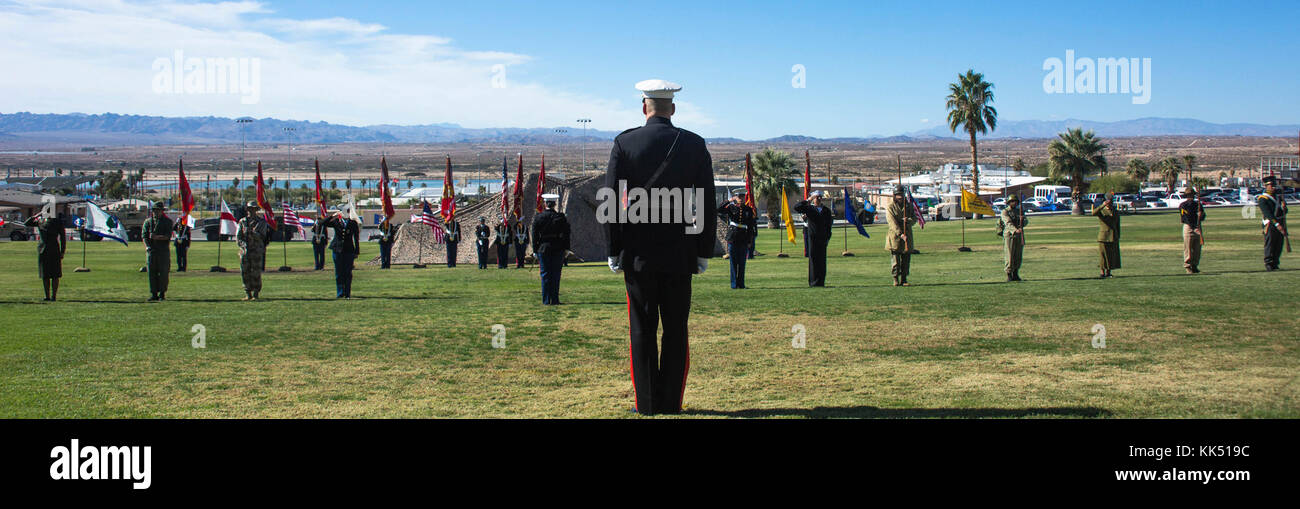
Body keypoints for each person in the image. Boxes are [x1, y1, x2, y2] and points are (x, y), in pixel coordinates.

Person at [606, 79, 716, 415]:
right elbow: (705, 203)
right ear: (673, 109)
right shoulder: (694, 145)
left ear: (644, 107)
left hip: (638, 255)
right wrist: (702, 250)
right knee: (676, 330)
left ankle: (648, 404)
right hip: (680, 255)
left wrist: (613, 248)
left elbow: (613, 201)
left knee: (641, 329)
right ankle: (671, 402)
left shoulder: (625, 143)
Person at [532, 194, 570, 305]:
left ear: (545, 204)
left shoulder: (538, 217)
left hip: (543, 248)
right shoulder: (561, 217)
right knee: (556, 274)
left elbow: (534, 235)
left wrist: (535, 250)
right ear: (554, 204)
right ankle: (555, 299)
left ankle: (545, 300)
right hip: (558, 247)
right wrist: (567, 248)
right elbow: (566, 234)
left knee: (545, 274)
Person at [716, 188, 756, 289]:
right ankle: (734, 284)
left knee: (742, 263)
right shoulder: (731, 208)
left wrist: (750, 241)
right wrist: (729, 201)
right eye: (739, 197)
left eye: (742, 197)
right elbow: (719, 209)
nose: (741, 199)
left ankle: (741, 284)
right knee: (733, 262)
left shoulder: (748, 210)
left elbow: (751, 226)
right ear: (735, 198)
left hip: (743, 238)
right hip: (733, 238)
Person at [794, 190, 834, 287]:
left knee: (822, 260)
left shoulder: (826, 210)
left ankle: (821, 282)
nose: (819, 199)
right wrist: (808, 200)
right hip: (813, 238)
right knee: (813, 260)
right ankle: (813, 282)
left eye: (820, 197)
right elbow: (797, 207)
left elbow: (829, 225)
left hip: (823, 238)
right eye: (816, 197)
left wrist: (828, 237)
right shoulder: (810, 209)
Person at [23, 212, 65, 301]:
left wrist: (62, 252)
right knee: (44, 275)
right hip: (43, 250)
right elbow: (26, 223)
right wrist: (35, 216)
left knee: (55, 274)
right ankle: (47, 296)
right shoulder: (40, 221)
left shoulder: (57, 222)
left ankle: (54, 296)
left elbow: (63, 238)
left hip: (54, 250)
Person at [237, 202, 271, 300]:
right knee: (245, 272)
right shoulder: (243, 221)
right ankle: (248, 293)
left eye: (253, 209)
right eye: (250, 209)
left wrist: (253, 233)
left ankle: (256, 293)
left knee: (256, 272)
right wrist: (244, 245)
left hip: (256, 250)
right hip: (245, 251)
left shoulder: (261, 222)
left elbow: (263, 236)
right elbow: (238, 237)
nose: (251, 211)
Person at [323, 211, 361, 298]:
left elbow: (356, 237)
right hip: (337, 249)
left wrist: (356, 251)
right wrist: (332, 216)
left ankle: (347, 293)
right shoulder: (336, 222)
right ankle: (340, 292)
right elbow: (323, 223)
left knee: (348, 272)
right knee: (339, 272)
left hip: (349, 250)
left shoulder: (353, 223)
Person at [885, 186, 917, 286]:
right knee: (896, 260)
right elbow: (892, 222)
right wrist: (900, 234)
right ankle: (895, 278)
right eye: (898, 195)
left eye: (901, 195)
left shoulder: (909, 206)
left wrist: (908, 221)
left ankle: (904, 278)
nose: (900, 197)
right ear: (894, 196)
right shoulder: (890, 207)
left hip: (907, 235)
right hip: (895, 237)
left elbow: (915, 218)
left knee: (906, 260)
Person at [142, 203, 173, 301]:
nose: (156, 212)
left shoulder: (167, 222)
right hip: (152, 251)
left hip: (163, 251)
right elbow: (144, 236)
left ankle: (162, 293)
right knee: (152, 273)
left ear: (162, 211)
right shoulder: (148, 222)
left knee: (163, 273)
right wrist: (147, 246)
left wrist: (158, 237)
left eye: (158, 210)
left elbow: (168, 236)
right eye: (154, 210)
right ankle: (153, 293)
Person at [1258, 176, 1289, 271]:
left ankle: (1275, 263)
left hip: (1280, 222)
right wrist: (1277, 224)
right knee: (1270, 244)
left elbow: (1283, 211)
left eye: (1274, 185)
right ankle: (1268, 263)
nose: (1273, 187)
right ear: (1266, 186)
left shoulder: (1278, 197)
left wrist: (1284, 208)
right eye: (1271, 185)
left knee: (1279, 243)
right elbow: (1268, 214)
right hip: (1270, 224)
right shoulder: (1263, 199)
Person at [1093, 192, 1121, 278]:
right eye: (1108, 202)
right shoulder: (1102, 211)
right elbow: (1094, 213)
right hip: (1103, 237)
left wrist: (1118, 235)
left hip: (1113, 236)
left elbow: (1117, 225)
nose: (1110, 204)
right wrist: (1102, 205)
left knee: (1111, 255)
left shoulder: (1115, 212)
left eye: (1111, 202)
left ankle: (1109, 272)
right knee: (1103, 255)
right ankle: (1102, 272)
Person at [1000, 193, 1027, 282]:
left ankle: (1016, 273)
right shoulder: (1005, 211)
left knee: (1018, 255)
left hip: (1019, 236)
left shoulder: (1019, 211)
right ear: (1009, 202)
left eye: (1015, 201)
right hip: (1010, 235)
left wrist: (1023, 220)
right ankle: (1009, 274)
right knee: (1010, 255)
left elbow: (1026, 222)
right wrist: (1015, 230)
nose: (1014, 203)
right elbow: (1007, 223)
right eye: (1012, 201)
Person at [1179, 187, 1205, 274]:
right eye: (1189, 195)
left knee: (1197, 249)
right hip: (1188, 227)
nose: (1191, 197)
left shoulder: (1198, 204)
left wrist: (1200, 215)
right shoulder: (1183, 205)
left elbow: (1203, 216)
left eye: (1192, 195)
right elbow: (1184, 217)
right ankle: (1188, 266)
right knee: (1188, 248)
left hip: (1197, 227)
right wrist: (1194, 220)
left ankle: (1195, 265)